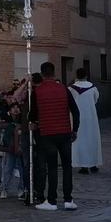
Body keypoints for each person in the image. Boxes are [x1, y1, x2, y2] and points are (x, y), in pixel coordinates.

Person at [30, 62, 80, 212]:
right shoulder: (64, 89)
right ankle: (68, 200)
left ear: (42, 74)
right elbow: (75, 111)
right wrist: (75, 130)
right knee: (66, 166)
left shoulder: (37, 91)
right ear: (54, 72)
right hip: (64, 132)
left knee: (51, 167)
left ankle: (51, 201)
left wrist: (34, 122)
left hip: (47, 133)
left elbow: (33, 114)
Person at [69, 68, 102, 174]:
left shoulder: (71, 88)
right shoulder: (93, 88)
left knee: (80, 141)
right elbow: (96, 100)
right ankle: (93, 164)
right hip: (91, 118)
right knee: (91, 140)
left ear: (76, 75)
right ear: (86, 76)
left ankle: (83, 165)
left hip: (76, 118)